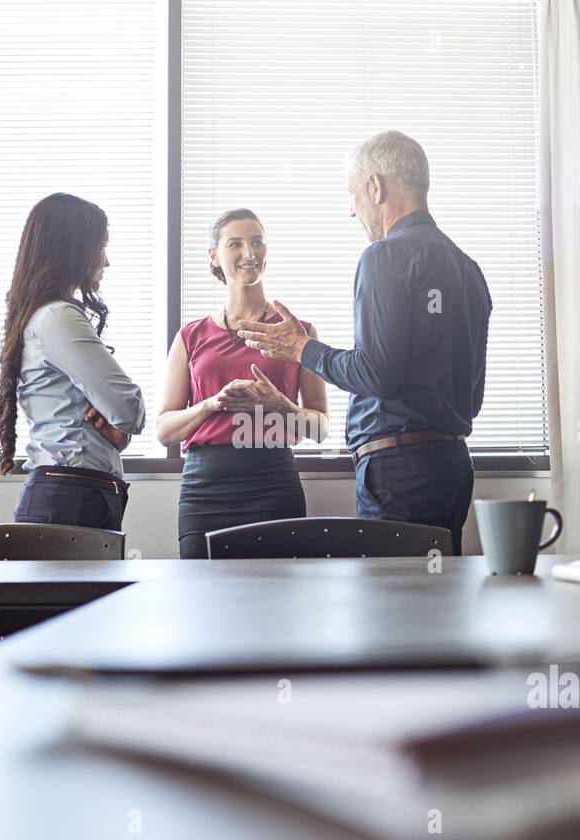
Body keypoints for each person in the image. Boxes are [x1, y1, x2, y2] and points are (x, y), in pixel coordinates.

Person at [237, 131, 491, 555]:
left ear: (375, 187)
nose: (352, 211)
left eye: (353, 195)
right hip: (452, 469)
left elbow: (376, 373)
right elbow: (473, 399)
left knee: (391, 611)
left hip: (398, 473)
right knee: (437, 607)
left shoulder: (383, 256)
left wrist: (299, 347)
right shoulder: (469, 270)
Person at [156, 209, 330, 559]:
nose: (249, 253)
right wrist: (211, 404)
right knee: (202, 602)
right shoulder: (191, 335)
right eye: (235, 244)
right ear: (214, 256)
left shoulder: (299, 331)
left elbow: (320, 429)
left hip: (274, 483)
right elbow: (164, 431)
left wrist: (280, 404)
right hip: (205, 489)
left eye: (257, 242)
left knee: (275, 604)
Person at [0, 193, 146, 531]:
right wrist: (120, 422)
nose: (106, 262)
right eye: (101, 247)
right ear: (74, 249)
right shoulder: (58, 317)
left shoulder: (41, 315)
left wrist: (118, 431)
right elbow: (129, 409)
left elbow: (120, 423)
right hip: (70, 496)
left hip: (70, 493)